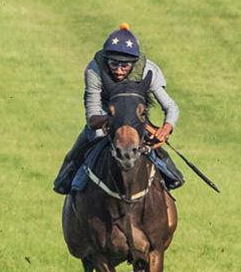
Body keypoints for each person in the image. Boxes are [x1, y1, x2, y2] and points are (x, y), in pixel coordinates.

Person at [52, 23, 184, 194]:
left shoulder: (148, 71)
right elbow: (92, 119)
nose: (119, 70)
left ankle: (168, 175)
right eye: (114, 64)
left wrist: (166, 129)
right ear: (107, 61)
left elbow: (171, 107)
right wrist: (111, 119)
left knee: (151, 145)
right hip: (106, 114)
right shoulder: (94, 70)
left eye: (125, 66)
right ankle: (70, 180)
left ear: (133, 63)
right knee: (90, 141)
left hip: (135, 116)